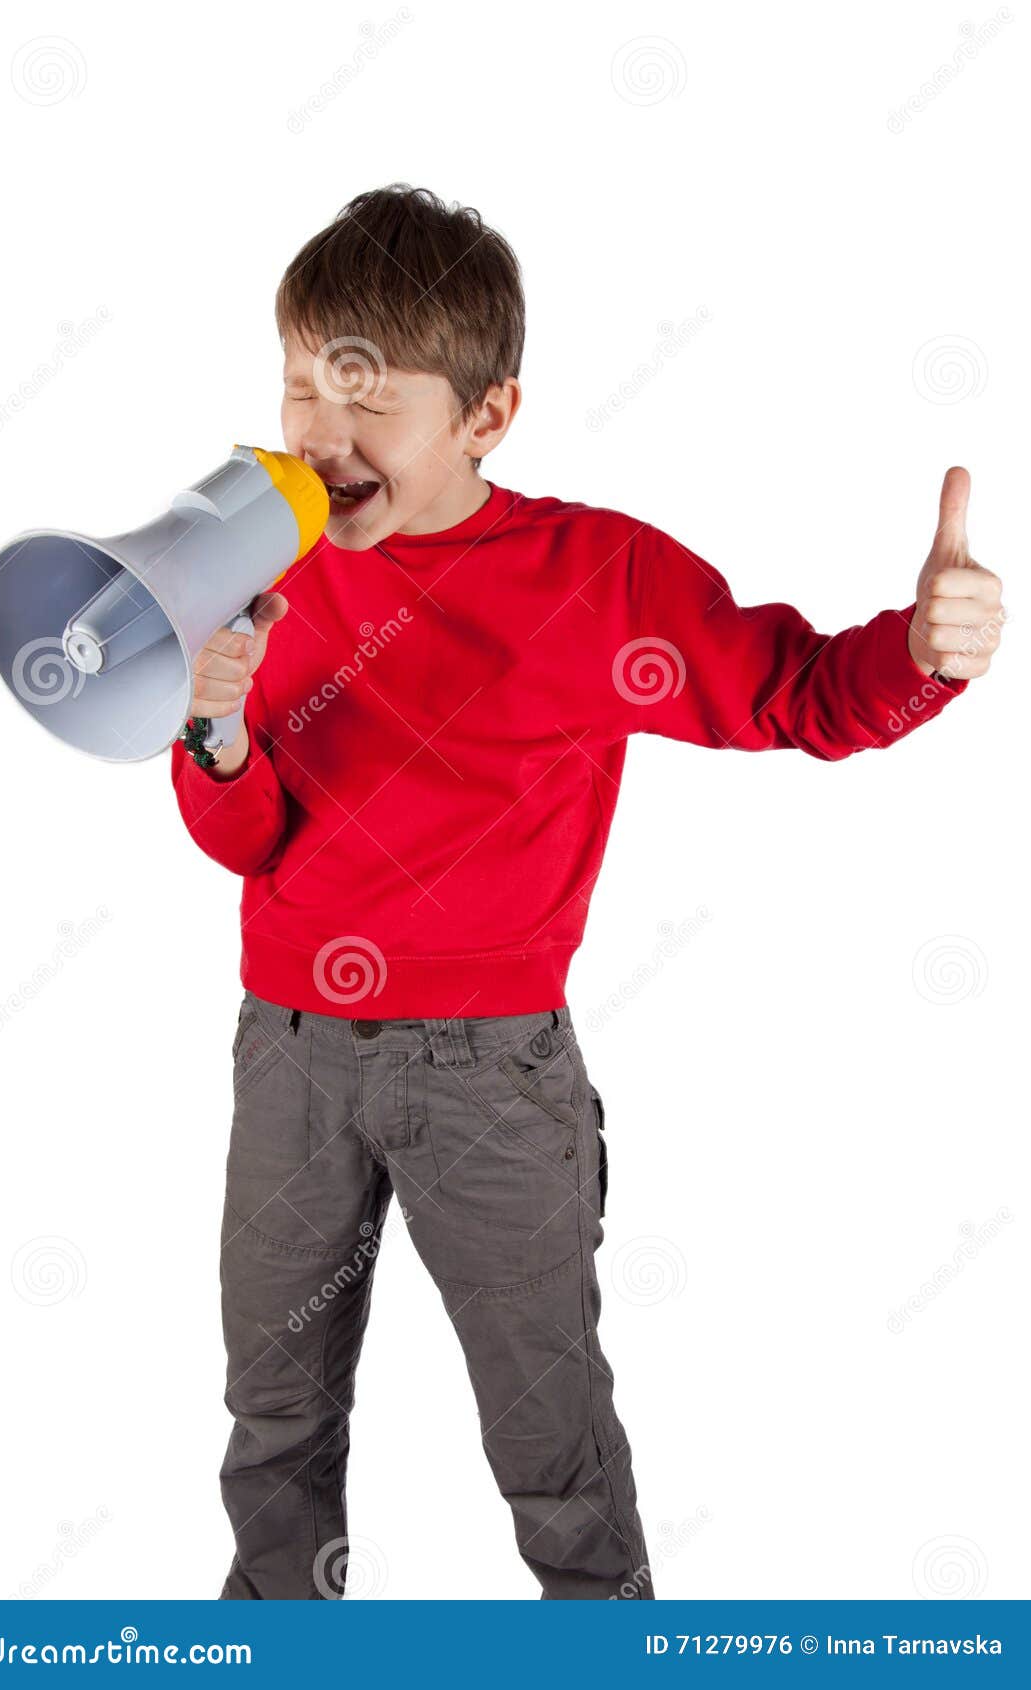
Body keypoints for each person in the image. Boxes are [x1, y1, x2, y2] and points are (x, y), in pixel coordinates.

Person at [170, 185, 1004, 1600]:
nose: (318, 430)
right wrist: (218, 731)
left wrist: (921, 652)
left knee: (550, 1442)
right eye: (304, 379)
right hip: (290, 1057)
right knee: (273, 1422)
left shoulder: (596, 578)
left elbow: (794, 694)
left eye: (367, 393)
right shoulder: (266, 557)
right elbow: (246, 838)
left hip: (493, 1079)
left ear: (489, 416)